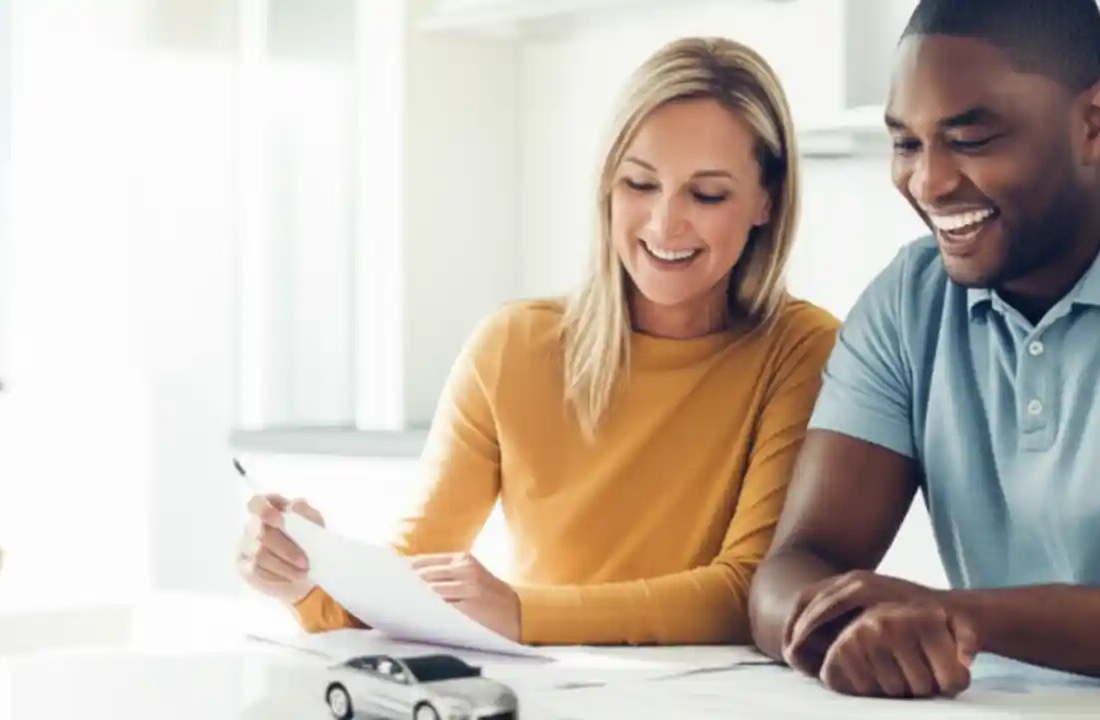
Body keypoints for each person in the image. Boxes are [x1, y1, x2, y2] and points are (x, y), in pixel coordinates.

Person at [238, 37, 842, 646]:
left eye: (707, 194)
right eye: (639, 184)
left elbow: (748, 594)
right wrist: (310, 574)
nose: (664, 224)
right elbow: (406, 582)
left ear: (767, 199)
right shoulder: (514, 347)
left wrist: (523, 613)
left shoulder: (802, 352)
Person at [749, 0, 1100, 698]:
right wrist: (851, 632)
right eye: (906, 143)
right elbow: (795, 565)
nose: (928, 183)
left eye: (972, 140)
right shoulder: (906, 300)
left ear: (1094, 122)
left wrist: (965, 617)